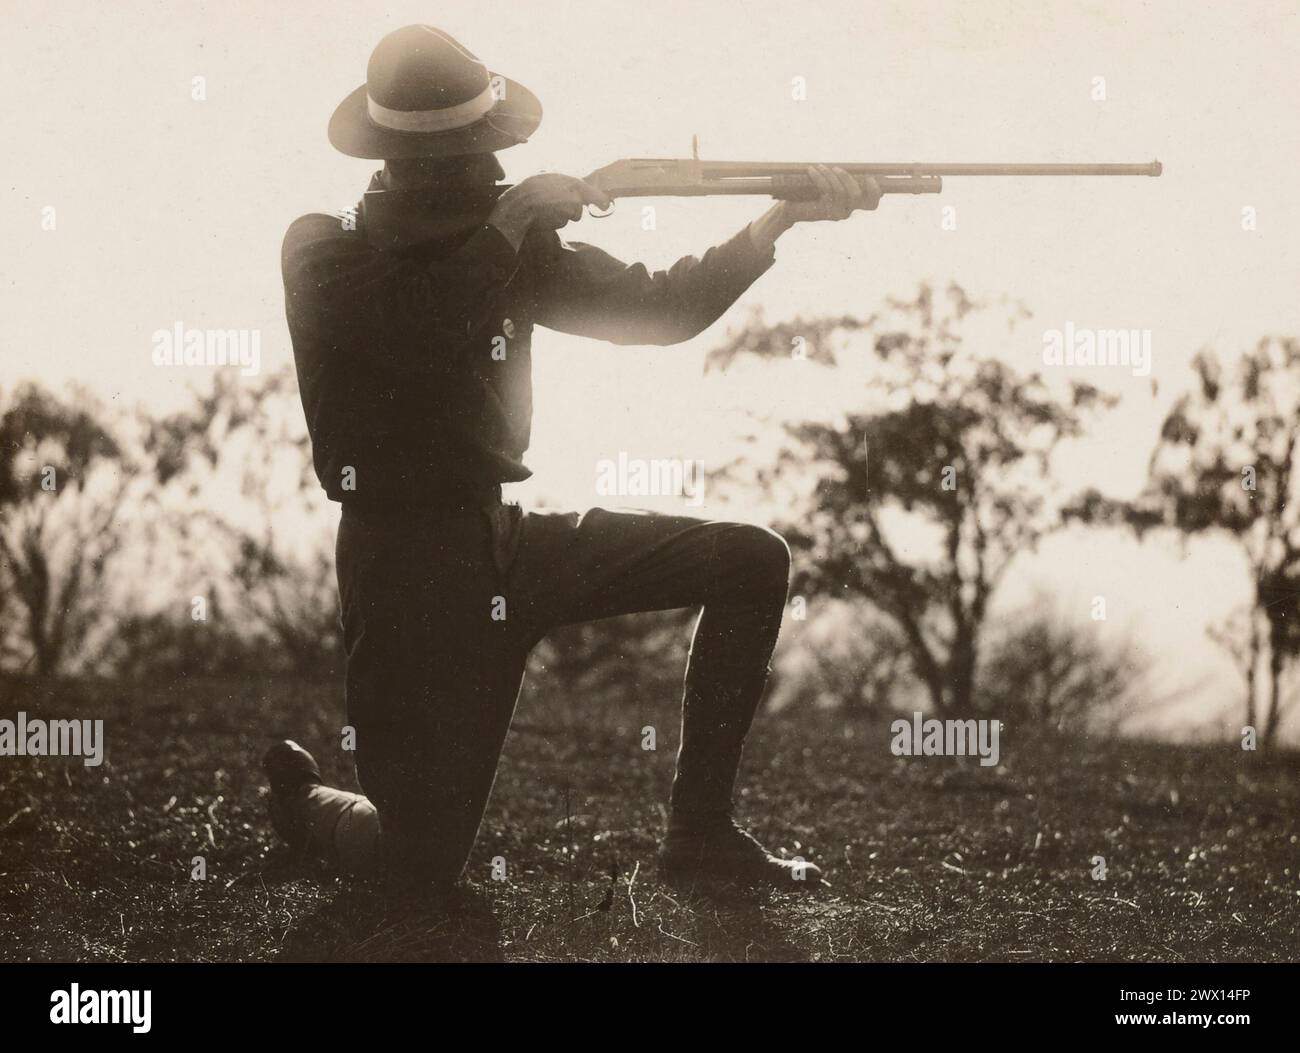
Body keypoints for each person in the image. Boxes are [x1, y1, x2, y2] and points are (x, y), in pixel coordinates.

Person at [267, 23, 879, 894]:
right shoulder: (324, 244)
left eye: (485, 153)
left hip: (508, 544)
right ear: (402, 161)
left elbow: (663, 311)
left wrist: (777, 219)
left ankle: (701, 838)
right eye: (466, 157)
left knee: (749, 560)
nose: (488, 171)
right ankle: (301, 805)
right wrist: (512, 224)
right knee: (416, 867)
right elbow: (418, 324)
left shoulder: (507, 248)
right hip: (402, 568)